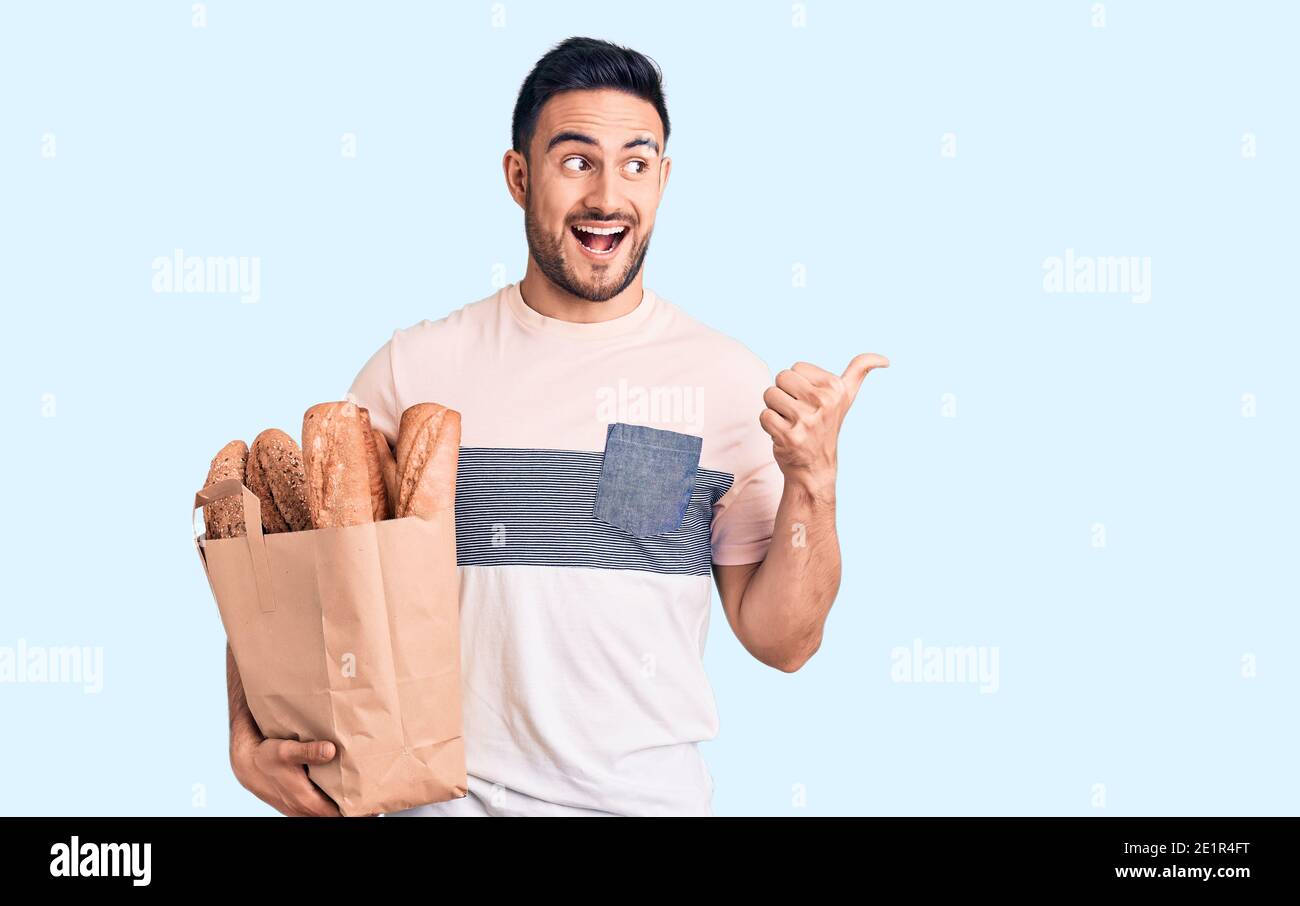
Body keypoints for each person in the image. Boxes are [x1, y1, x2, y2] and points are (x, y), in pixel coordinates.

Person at [227, 35, 887, 818]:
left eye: (637, 164)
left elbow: (785, 643)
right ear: (518, 176)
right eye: (576, 160)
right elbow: (299, 566)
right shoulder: (415, 369)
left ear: (664, 180)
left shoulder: (723, 381)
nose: (608, 195)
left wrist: (816, 481)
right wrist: (243, 734)